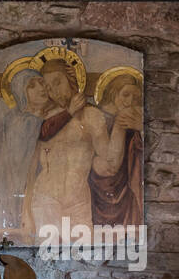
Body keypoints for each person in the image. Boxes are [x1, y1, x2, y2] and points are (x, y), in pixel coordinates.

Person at [21, 58, 127, 240]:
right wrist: (25, 213)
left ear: (71, 80)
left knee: (82, 259)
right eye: (48, 87)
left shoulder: (92, 116)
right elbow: (30, 170)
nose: (54, 91)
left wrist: (120, 124)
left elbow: (111, 163)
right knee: (50, 258)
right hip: (46, 198)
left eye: (57, 82)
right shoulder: (45, 119)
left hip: (79, 201)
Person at [0, 69, 49, 233]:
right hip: (15, 189)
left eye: (42, 83)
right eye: (32, 86)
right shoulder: (17, 121)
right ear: (21, 93)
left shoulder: (47, 118)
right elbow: (15, 165)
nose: (41, 88)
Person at [89, 74, 144, 227]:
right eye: (125, 95)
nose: (130, 101)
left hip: (126, 181)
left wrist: (141, 128)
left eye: (136, 97)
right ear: (113, 93)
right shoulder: (96, 116)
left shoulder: (134, 116)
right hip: (98, 182)